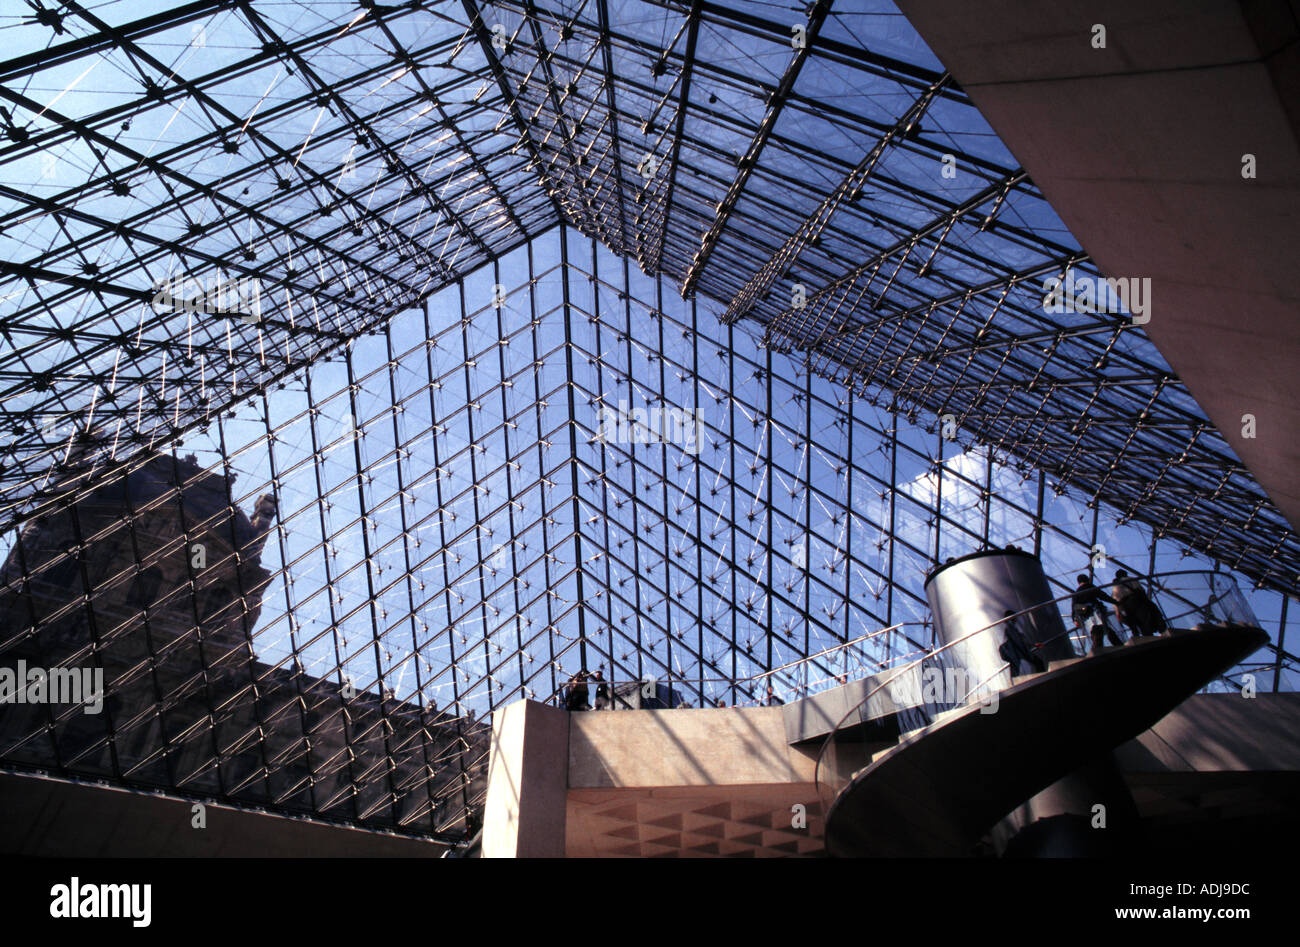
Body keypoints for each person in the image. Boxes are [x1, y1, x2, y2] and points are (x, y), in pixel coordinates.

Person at [1072, 573, 1123, 654]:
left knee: (1095, 631)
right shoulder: (1090, 587)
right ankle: (1118, 646)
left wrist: (1075, 619)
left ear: (1078, 582)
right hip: (1096, 611)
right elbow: (1103, 596)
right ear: (1087, 579)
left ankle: (1097, 650)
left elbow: (1074, 607)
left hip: (1086, 616)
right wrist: (1116, 602)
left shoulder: (1076, 593)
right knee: (1104, 629)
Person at [1112, 570, 1167, 638]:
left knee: (1137, 623)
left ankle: (1142, 636)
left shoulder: (1114, 586)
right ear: (1124, 574)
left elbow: (1115, 600)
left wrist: (1118, 612)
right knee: (1146, 617)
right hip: (1135, 601)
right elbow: (1138, 589)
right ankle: (1160, 631)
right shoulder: (1129, 579)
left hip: (1123, 606)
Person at [998, 610, 1046, 677]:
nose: (1016, 619)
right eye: (1015, 617)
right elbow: (1018, 640)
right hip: (1017, 651)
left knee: (1016, 668)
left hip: (1016, 652)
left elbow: (1019, 639)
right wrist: (1026, 650)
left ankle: (1014, 683)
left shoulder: (1011, 628)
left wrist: (1032, 645)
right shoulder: (1010, 628)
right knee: (1038, 662)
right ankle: (1042, 677)